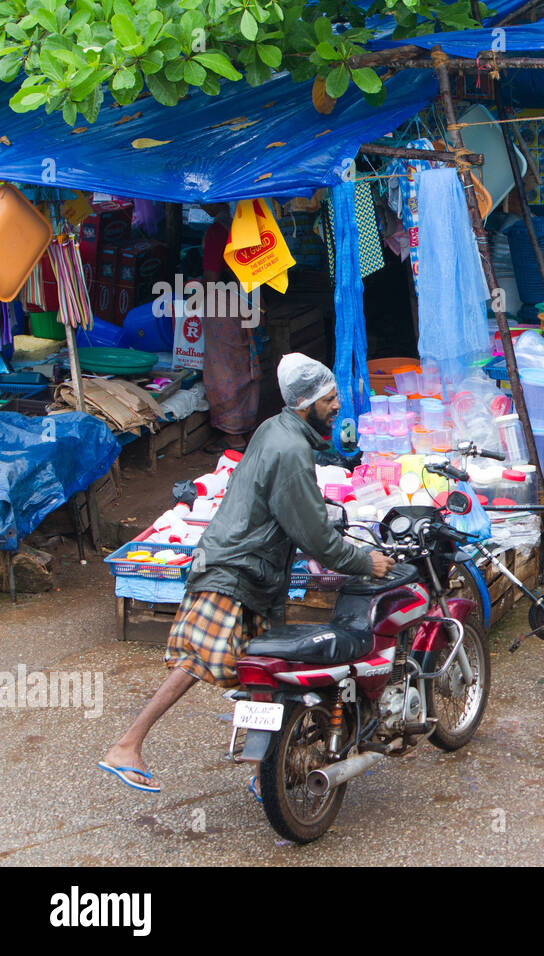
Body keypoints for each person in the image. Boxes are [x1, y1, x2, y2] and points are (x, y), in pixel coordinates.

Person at [98, 354, 396, 793]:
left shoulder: (276, 428)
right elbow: (314, 536)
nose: (337, 405)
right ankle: (126, 746)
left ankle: (265, 775)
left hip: (255, 572)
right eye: (331, 398)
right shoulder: (289, 448)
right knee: (196, 661)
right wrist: (363, 561)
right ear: (306, 402)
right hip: (234, 570)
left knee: (269, 671)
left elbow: (289, 506)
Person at [200, 202, 261, 454]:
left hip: (224, 303)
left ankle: (232, 435)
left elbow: (211, 277)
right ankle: (246, 427)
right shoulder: (252, 224)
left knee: (223, 367)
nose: (202, 205)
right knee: (247, 363)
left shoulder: (218, 230)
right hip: (253, 299)